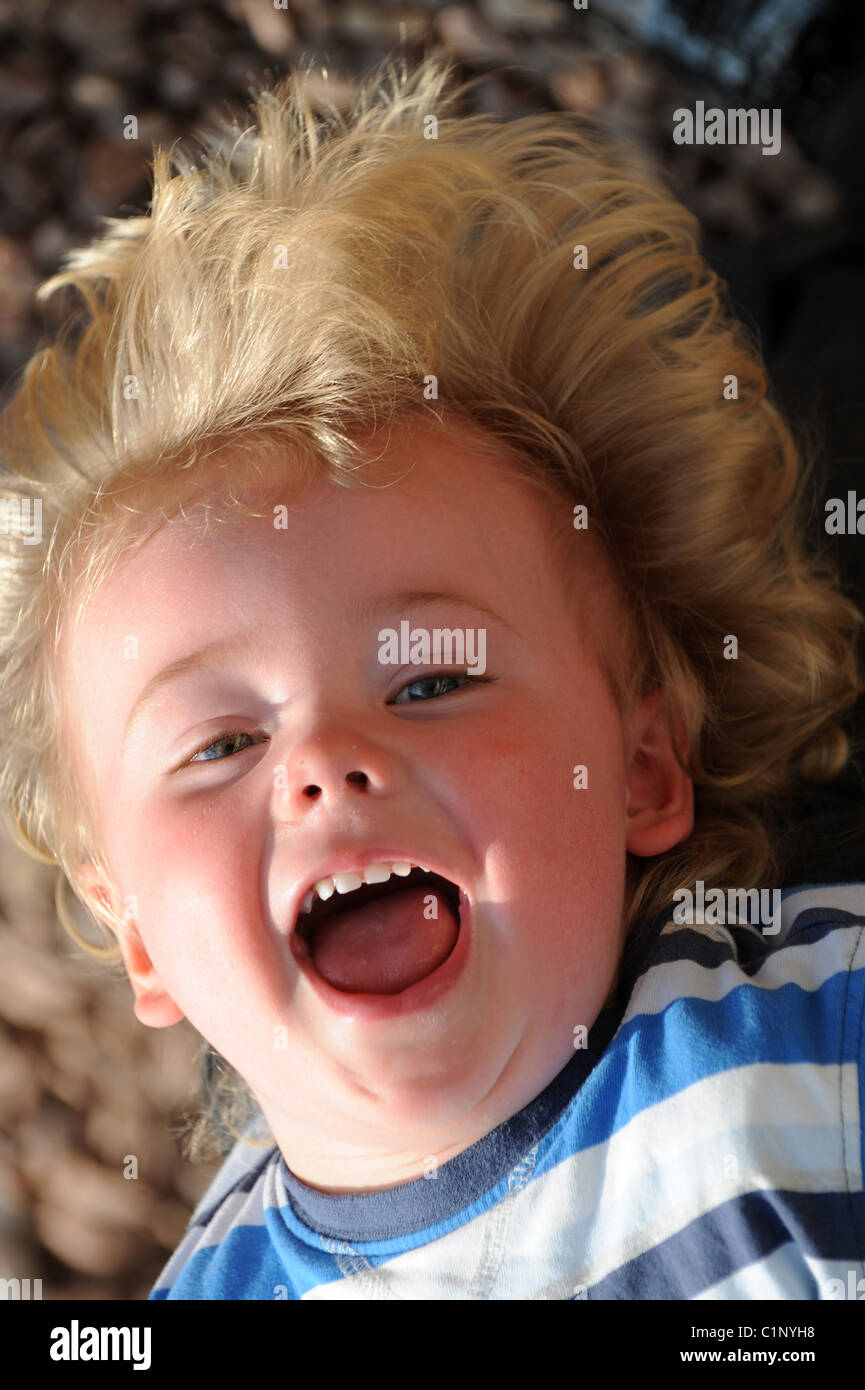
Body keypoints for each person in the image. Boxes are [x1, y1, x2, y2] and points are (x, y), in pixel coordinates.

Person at [0, 52, 862, 1300]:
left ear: (638, 766)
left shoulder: (799, 1077)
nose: (319, 762)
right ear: (137, 935)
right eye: (217, 745)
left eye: (427, 684)